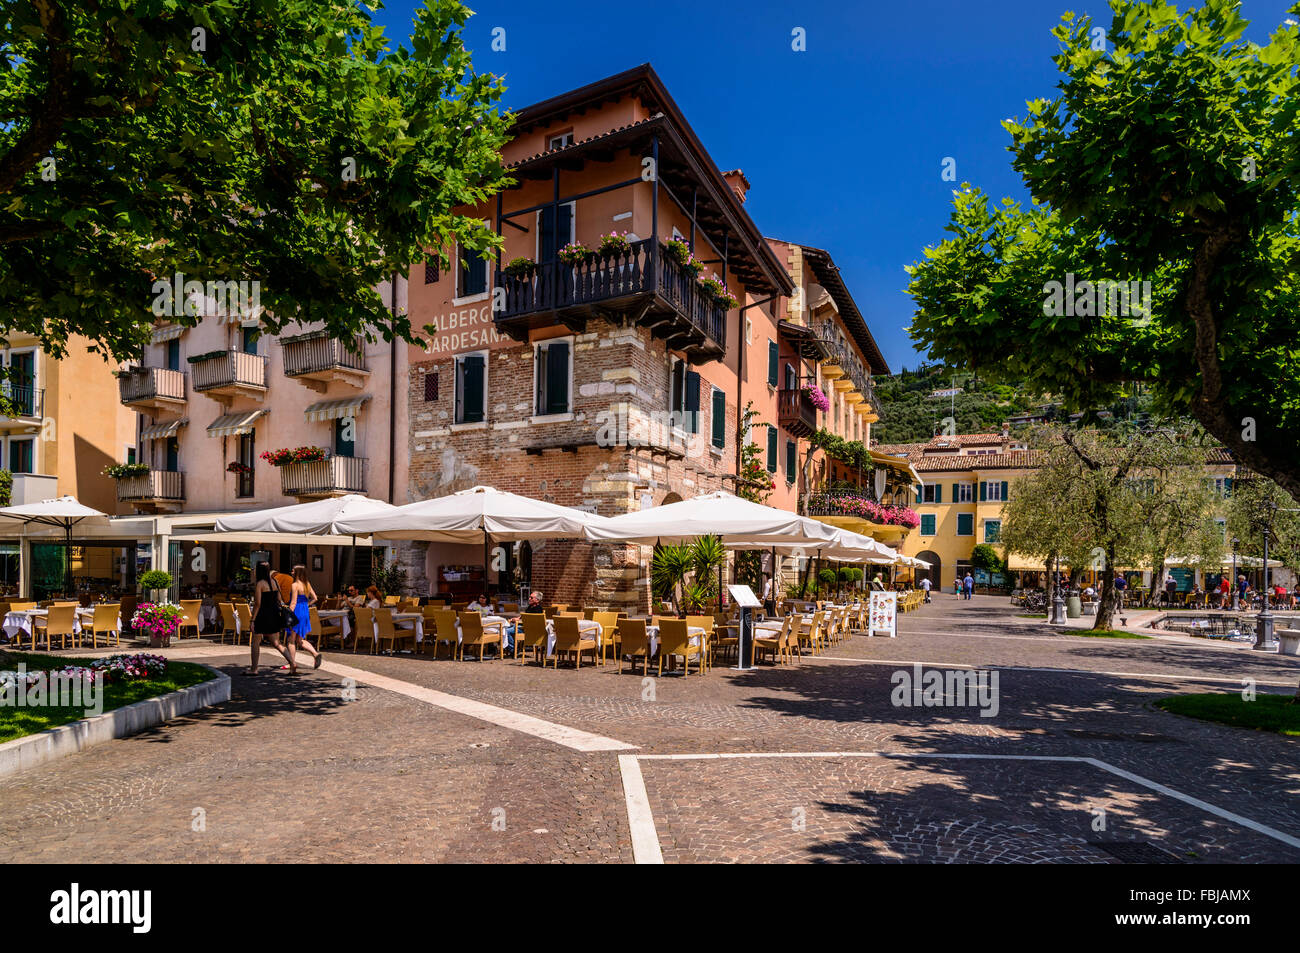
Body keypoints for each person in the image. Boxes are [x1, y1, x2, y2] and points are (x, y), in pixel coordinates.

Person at [249, 562, 295, 675]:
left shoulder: (260, 584)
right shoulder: (275, 582)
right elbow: (279, 599)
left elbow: (258, 604)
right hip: (274, 614)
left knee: (255, 642)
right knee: (276, 643)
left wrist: (252, 620)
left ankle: (254, 669)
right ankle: (292, 663)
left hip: (262, 615)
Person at [287, 565, 323, 670]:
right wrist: (306, 605)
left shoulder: (295, 585)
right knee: (299, 639)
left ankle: (292, 664)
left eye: (293, 570)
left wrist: (289, 614)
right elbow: (315, 598)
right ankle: (315, 654)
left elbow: (293, 602)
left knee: (291, 640)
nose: (291, 572)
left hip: (297, 611)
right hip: (305, 612)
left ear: (297, 573)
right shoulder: (307, 584)